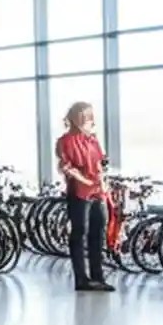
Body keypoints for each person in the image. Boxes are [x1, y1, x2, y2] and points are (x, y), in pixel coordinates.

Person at [56, 102, 114, 292]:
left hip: (98, 191)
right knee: (79, 233)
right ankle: (81, 279)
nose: (88, 121)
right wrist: (85, 181)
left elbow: (100, 163)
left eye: (89, 117)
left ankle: (98, 276)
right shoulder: (65, 141)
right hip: (79, 192)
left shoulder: (93, 140)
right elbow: (66, 167)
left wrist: (102, 179)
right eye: (84, 117)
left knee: (97, 234)